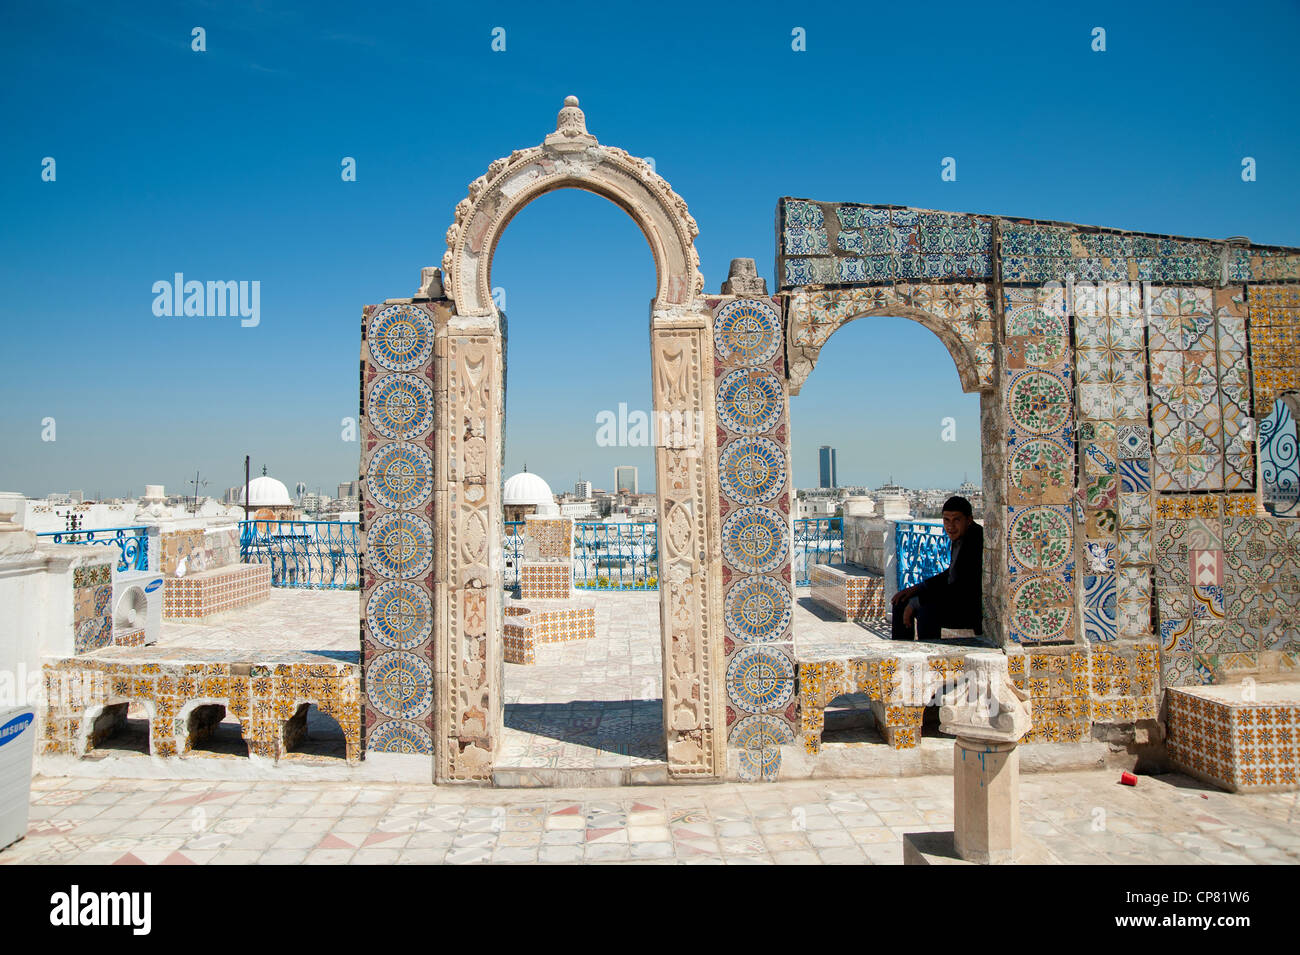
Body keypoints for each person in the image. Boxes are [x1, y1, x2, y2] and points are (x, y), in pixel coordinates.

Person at [890, 496, 983, 641]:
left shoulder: (975, 540)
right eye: (946, 520)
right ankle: (901, 651)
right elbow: (951, 574)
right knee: (901, 602)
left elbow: (962, 585)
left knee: (927, 610)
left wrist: (918, 601)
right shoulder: (960, 536)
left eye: (956, 520)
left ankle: (930, 657)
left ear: (969, 520)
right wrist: (916, 589)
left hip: (970, 606)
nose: (951, 526)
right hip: (956, 597)